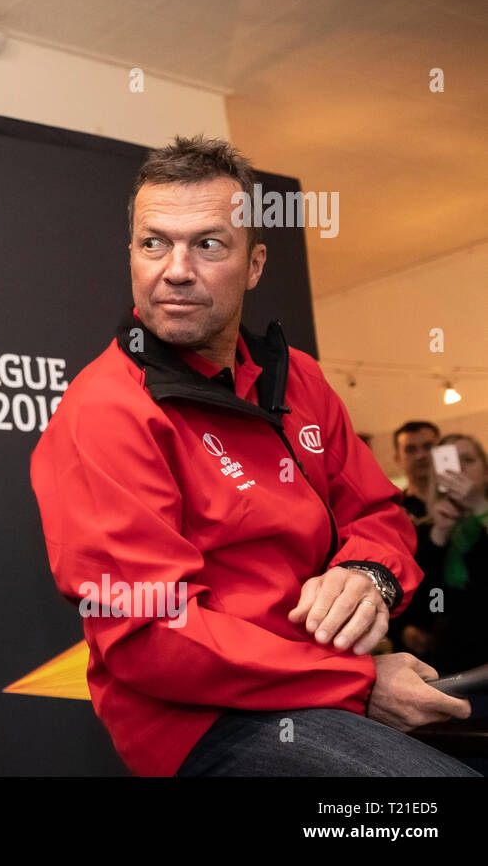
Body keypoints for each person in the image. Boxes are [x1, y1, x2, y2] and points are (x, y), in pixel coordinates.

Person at [29, 135, 476, 776]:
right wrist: (355, 678)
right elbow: (149, 637)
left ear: (256, 263)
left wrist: (368, 577)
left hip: (324, 687)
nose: (175, 269)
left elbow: (379, 515)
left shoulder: (298, 378)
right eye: (154, 242)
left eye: (208, 244)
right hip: (204, 721)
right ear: (131, 254)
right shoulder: (104, 411)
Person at [419, 433, 488, 677]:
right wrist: (438, 534)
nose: (459, 469)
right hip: (451, 661)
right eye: (450, 462)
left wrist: (480, 507)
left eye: (468, 460)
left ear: (486, 471)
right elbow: (430, 602)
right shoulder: (428, 529)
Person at [386, 420, 441, 658]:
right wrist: (398, 629)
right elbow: (383, 570)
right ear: (398, 457)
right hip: (413, 638)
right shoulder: (389, 513)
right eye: (410, 449)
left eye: (428, 446)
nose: (420, 455)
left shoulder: (471, 505)